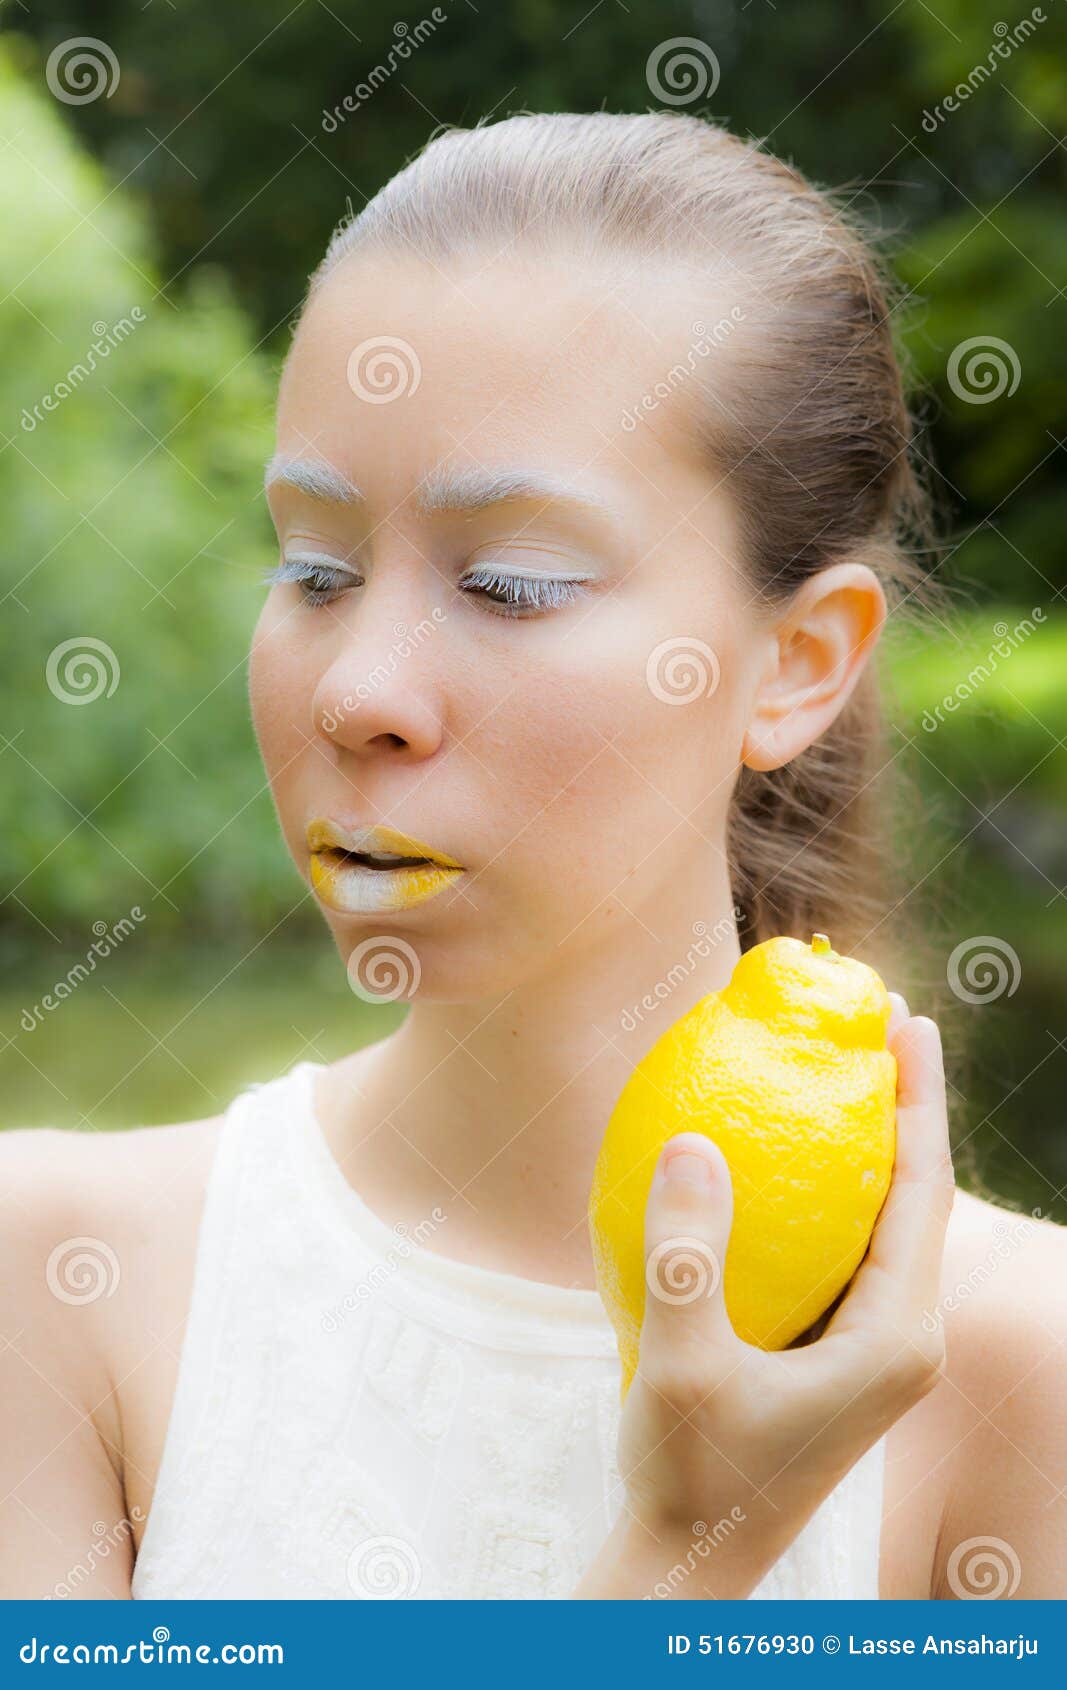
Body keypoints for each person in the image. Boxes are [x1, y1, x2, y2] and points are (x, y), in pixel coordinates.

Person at [2, 111, 1064, 1601]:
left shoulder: (1023, 1377)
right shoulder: (56, 1290)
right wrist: (691, 1552)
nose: (356, 689)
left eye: (508, 584)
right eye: (314, 566)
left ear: (796, 665)